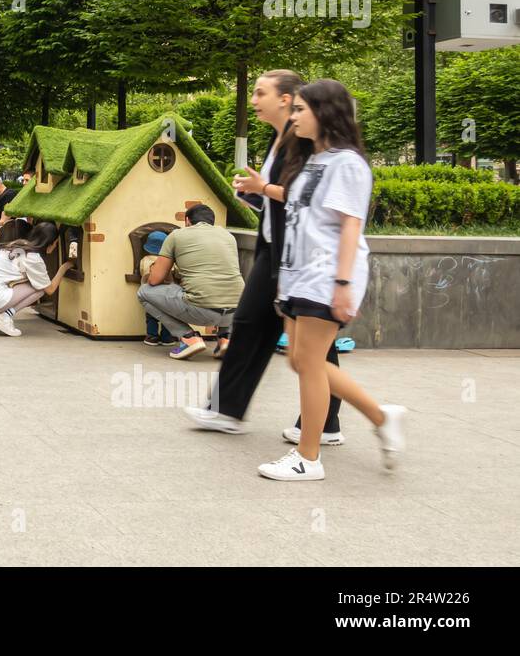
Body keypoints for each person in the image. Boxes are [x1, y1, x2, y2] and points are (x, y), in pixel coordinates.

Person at [255, 79, 406, 481]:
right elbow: (300, 206)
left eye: (302, 109)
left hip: (326, 275)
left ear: (325, 113)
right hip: (301, 273)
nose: (295, 117)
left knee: (308, 363)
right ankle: (379, 415)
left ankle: (309, 456)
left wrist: (341, 284)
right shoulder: (314, 160)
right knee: (301, 360)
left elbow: (350, 227)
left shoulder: (348, 164)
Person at [186, 70, 346, 444]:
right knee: (257, 326)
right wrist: (255, 193)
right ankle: (228, 410)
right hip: (273, 248)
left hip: (293, 253)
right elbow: (281, 195)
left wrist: (265, 187)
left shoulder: (302, 140)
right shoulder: (280, 138)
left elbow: (305, 195)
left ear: (286, 99)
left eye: (261, 93)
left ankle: (328, 422)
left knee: (304, 339)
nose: (254, 100)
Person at [137, 204, 244, 360]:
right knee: (225, 287)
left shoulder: (176, 236)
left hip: (202, 310)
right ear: (211, 222)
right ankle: (225, 338)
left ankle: (188, 337)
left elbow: (155, 280)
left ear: (187, 221)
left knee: (144, 292)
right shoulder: (228, 236)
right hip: (237, 311)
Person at [0, 221, 72, 337]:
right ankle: (5, 317)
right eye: (55, 243)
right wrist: (64, 267)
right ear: (49, 243)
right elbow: (49, 289)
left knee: (36, 283)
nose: (55, 247)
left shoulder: (15, 245)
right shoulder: (33, 258)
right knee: (40, 289)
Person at [138, 230, 178, 347]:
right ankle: (167, 338)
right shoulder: (169, 261)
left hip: (150, 292)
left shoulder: (144, 260)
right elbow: (177, 272)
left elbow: (141, 272)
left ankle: (152, 336)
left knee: (151, 316)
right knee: (168, 316)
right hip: (167, 294)